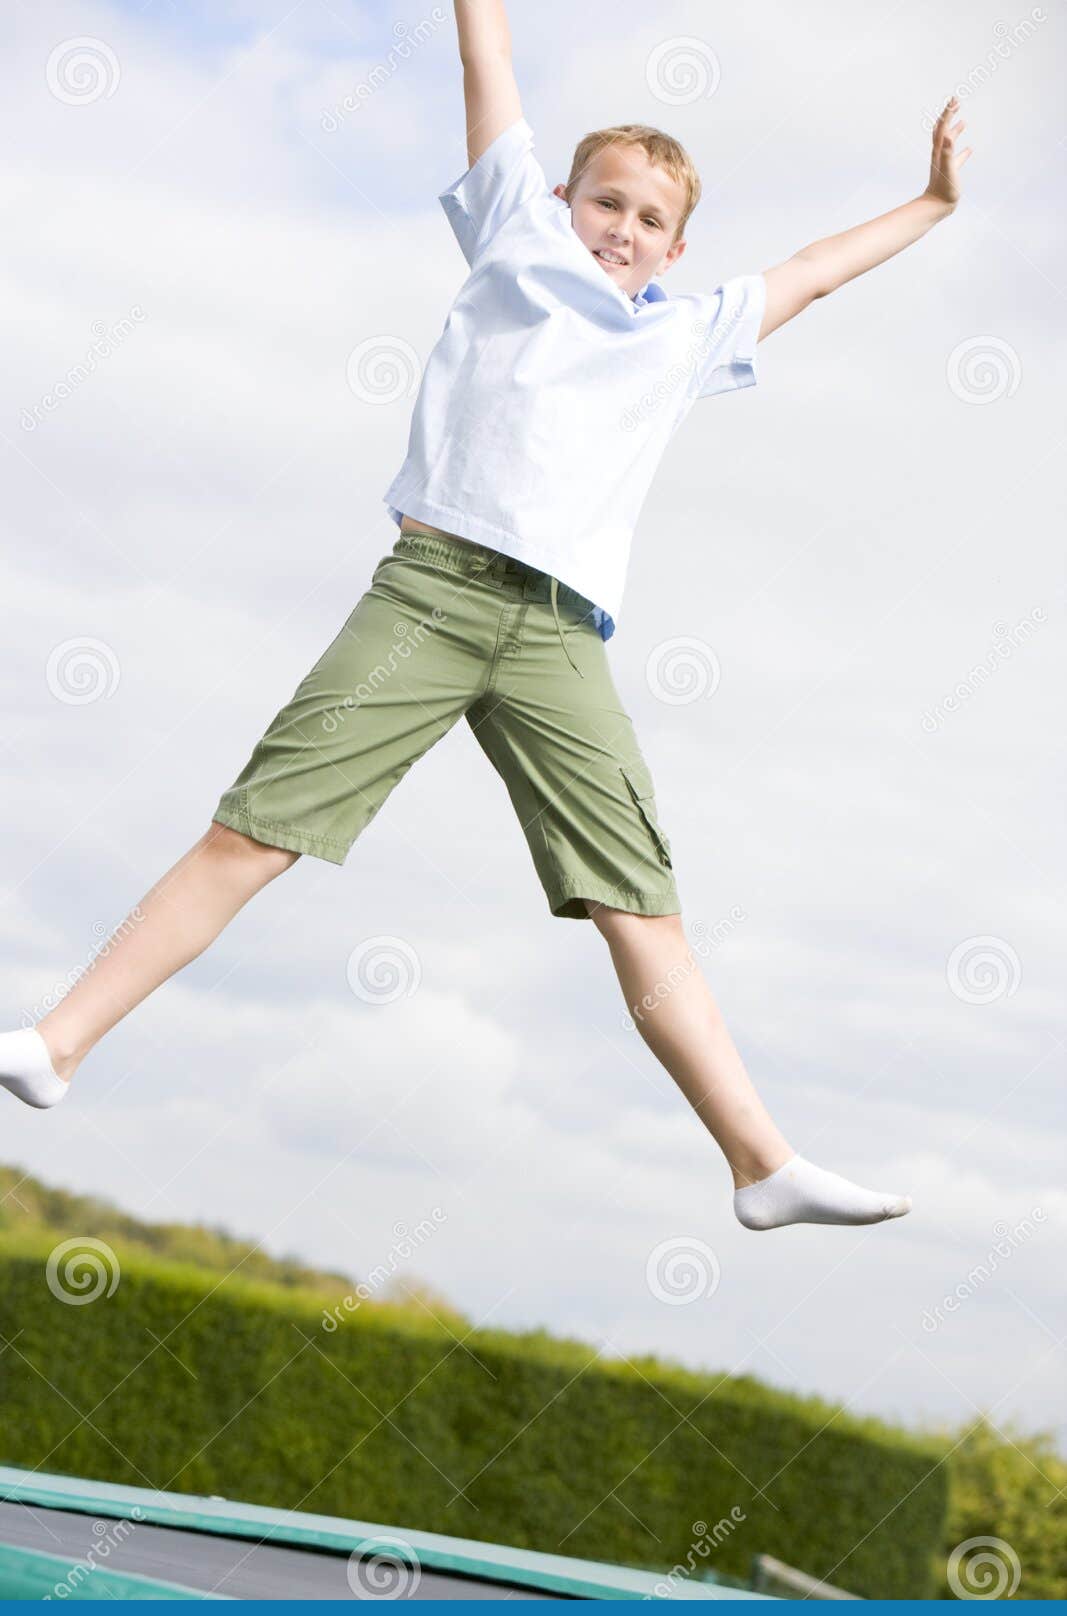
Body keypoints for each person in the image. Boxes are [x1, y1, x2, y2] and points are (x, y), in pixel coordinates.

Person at [2, 2, 972, 1229]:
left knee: (641, 906)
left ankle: (759, 1164)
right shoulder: (514, 230)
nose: (622, 227)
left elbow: (816, 270)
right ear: (562, 196)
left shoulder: (687, 331)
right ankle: (59, 1042)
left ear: (676, 247)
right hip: (433, 593)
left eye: (650, 218)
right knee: (257, 831)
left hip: (561, 636)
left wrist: (930, 203)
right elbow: (488, 54)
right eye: (605, 200)